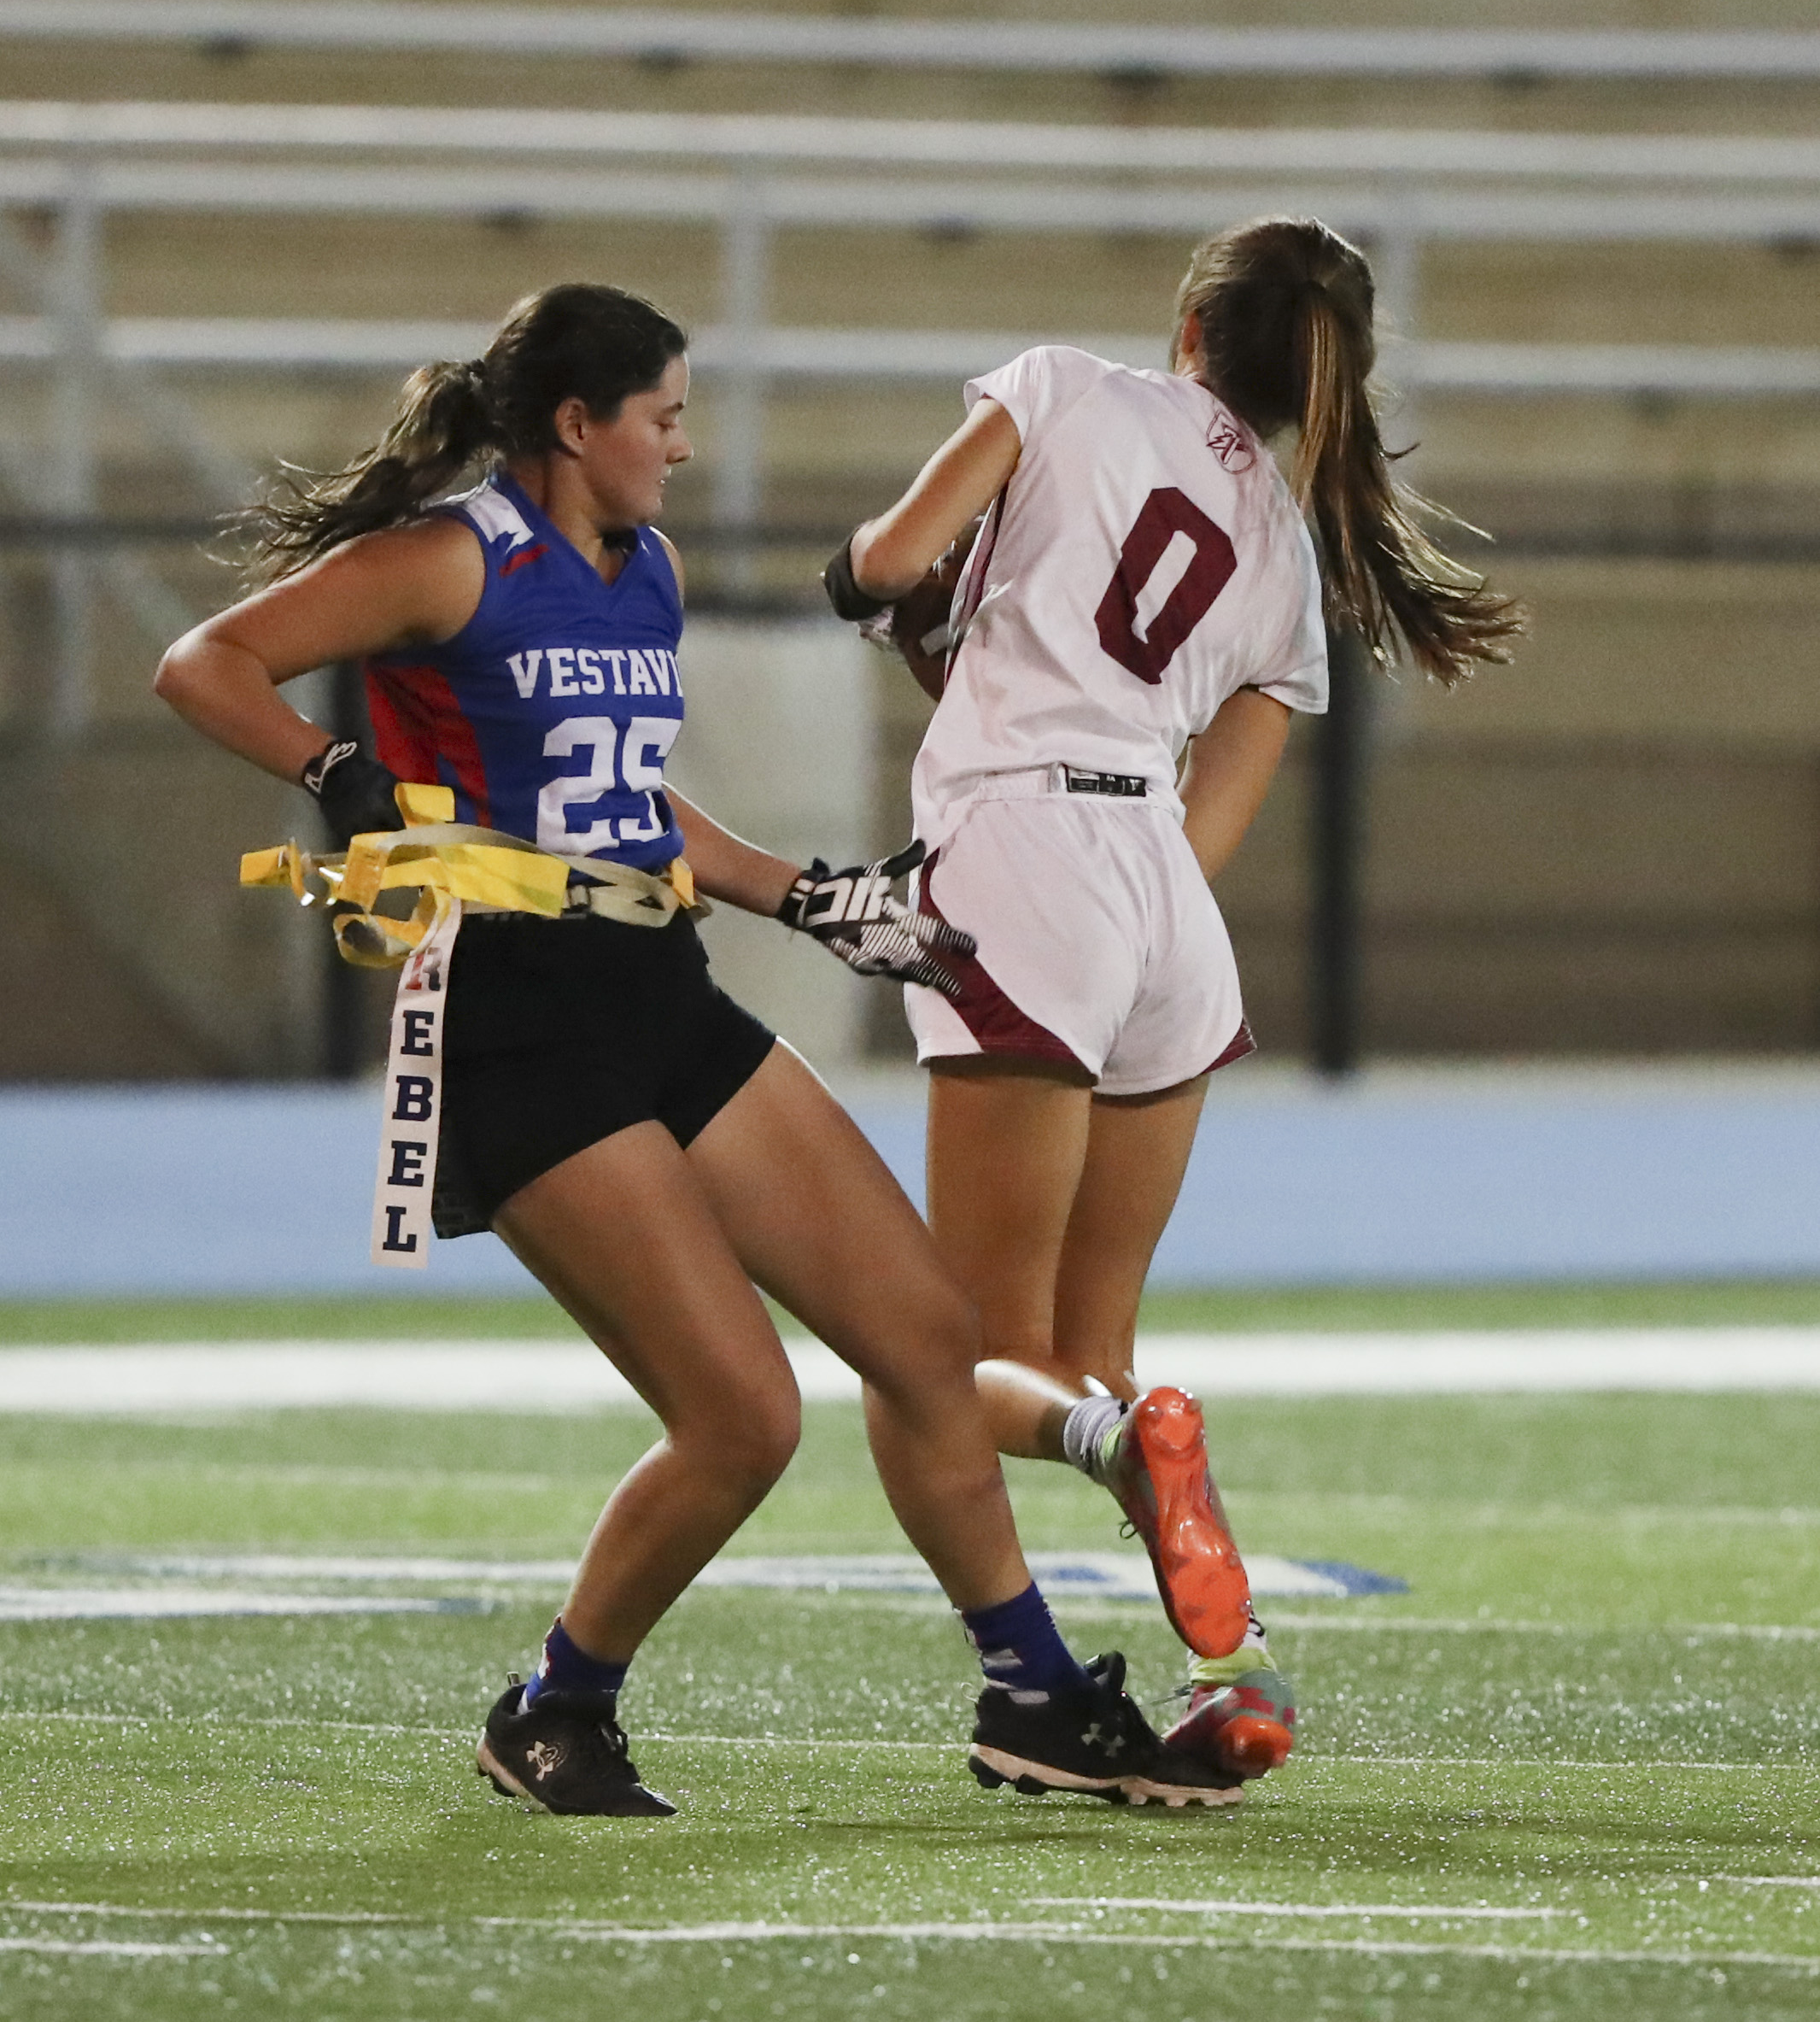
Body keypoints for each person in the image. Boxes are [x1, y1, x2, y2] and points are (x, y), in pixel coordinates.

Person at [154, 282, 1242, 1816]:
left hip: (657, 984)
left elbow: (635, 803)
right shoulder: (446, 558)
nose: (682, 441)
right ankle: (555, 1705)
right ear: (575, 425)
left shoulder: (641, 566)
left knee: (925, 1336)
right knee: (743, 1415)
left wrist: (807, 898)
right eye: (660, 415)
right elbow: (203, 662)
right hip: (518, 1014)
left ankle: (1038, 1697)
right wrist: (337, 769)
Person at [820, 216, 1521, 1783]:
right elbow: (1205, 820)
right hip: (1161, 904)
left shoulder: (1065, 385)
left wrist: (873, 599)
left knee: (950, 1362)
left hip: (1026, 853)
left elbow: (887, 558)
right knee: (1093, 1344)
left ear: (1192, 321)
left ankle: (1047, 1660)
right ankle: (1239, 1665)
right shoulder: (1286, 538)